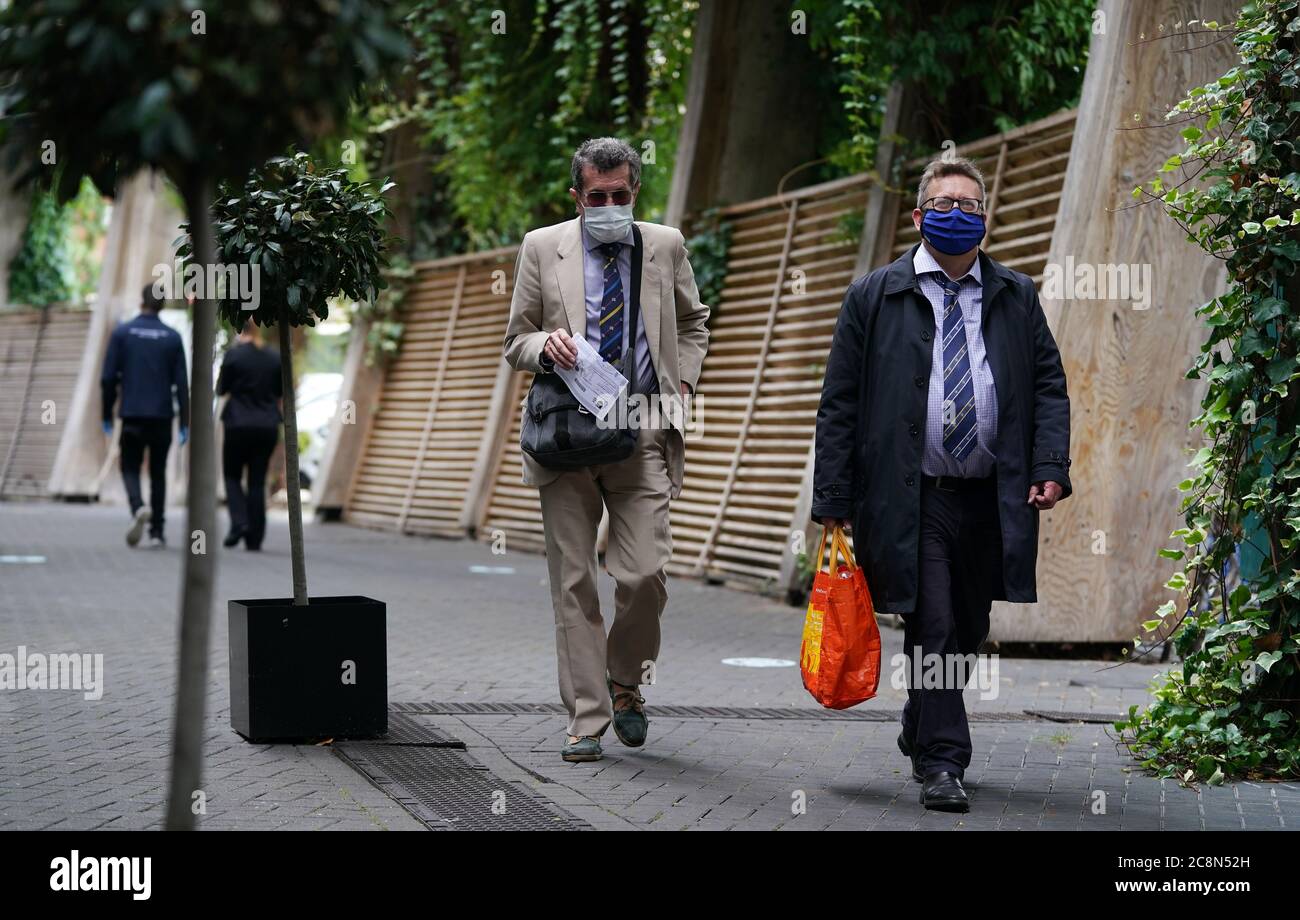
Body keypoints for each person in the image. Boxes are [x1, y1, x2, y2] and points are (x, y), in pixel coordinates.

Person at [812, 155, 1072, 813]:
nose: (957, 214)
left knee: (966, 624)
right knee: (931, 619)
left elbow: (1048, 385)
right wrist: (834, 502)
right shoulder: (875, 295)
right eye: (944, 202)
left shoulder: (1016, 295)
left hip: (990, 493)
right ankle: (944, 761)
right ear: (920, 214)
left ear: (985, 216)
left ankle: (921, 722)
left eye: (969, 203)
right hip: (911, 494)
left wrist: (1048, 467)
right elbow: (839, 401)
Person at [503, 137, 710, 763]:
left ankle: (626, 686)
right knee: (574, 583)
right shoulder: (543, 246)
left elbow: (695, 321)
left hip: (642, 426)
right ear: (577, 196)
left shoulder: (665, 245)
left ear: (634, 191)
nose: (611, 205)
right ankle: (587, 718)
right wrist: (548, 348)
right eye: (598, 196)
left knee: (645, 574)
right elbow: (516, 340)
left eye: (621, 195)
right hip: (567, 431)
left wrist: (684, 383)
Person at [101, 284, 189, 548]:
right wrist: (185, 422)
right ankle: (157, 532)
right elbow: (182, 384)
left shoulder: (123, 333)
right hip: (162, 416)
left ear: (142, 301)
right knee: (158, 472)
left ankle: (138, 506)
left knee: (129, 465)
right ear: (163, 305)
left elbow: (108, 379)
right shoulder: (173, 337)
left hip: (132, 414)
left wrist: (106, 414)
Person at [217, 319, 282, 551]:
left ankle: (239, 522)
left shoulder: (234, 356)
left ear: (238, 331)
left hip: (237, 424)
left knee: (232, 476)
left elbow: (221, 389)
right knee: (257, 481)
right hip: (266, 426)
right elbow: (281, 391)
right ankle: (255, 538)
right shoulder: (274, 357)